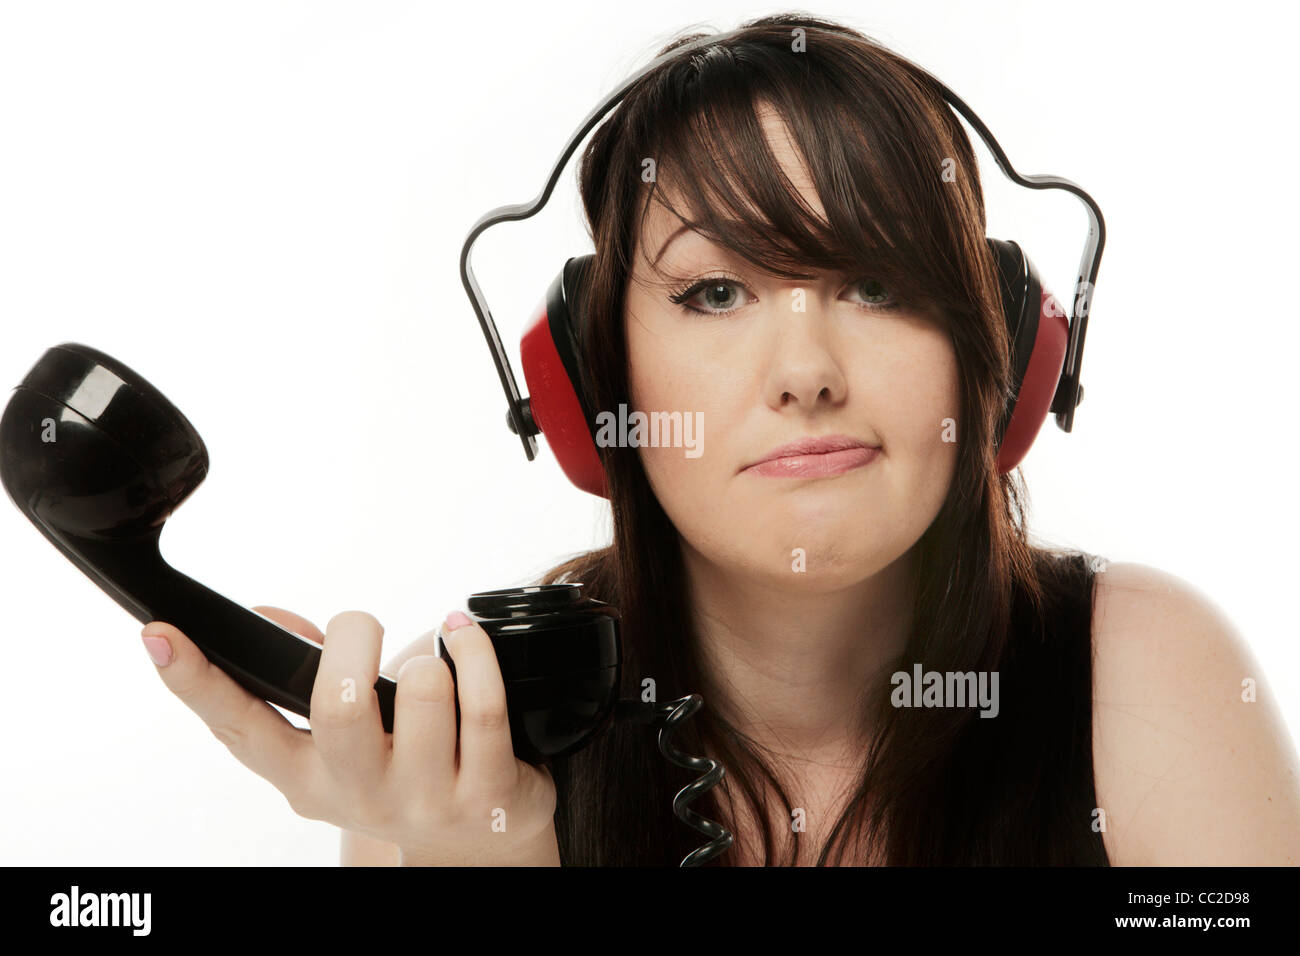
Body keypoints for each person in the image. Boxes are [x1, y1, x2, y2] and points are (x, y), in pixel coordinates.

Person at [139, 14, 1300, 866]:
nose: (805, 374)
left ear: (993, 348)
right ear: (589, 378)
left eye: (877, 281)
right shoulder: (458, 748)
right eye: (712, 294)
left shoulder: (1145, 674)